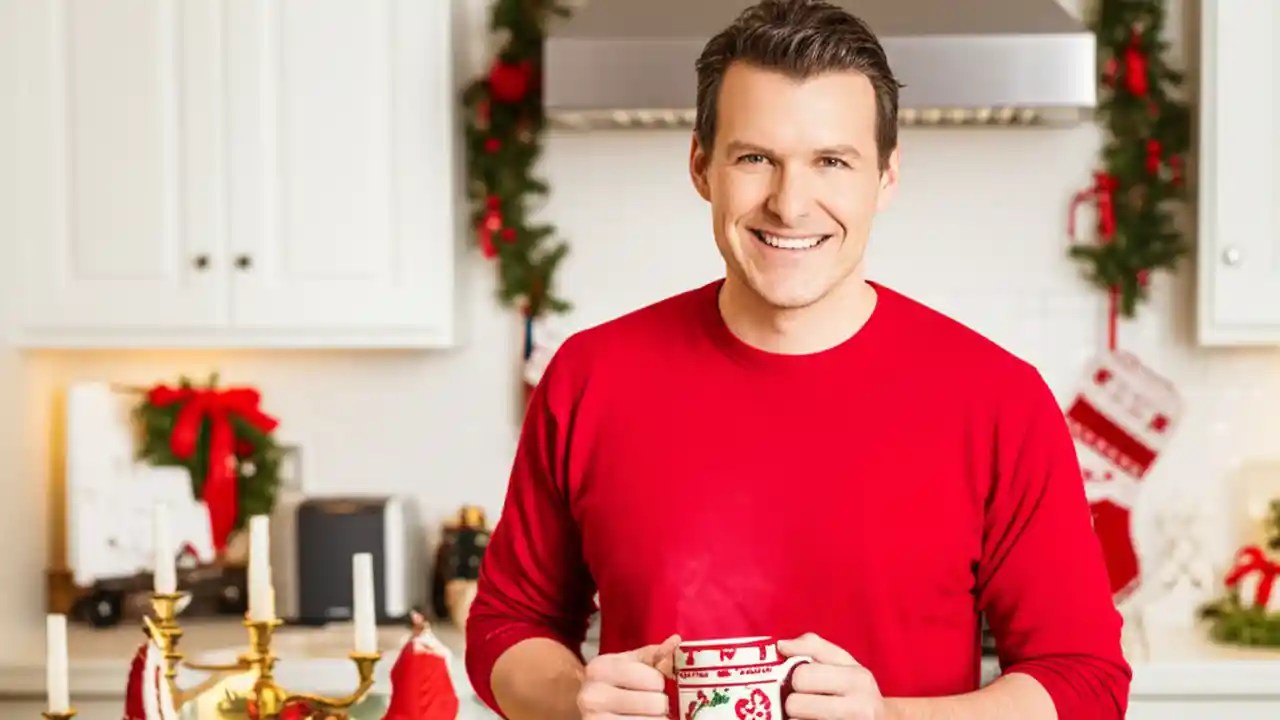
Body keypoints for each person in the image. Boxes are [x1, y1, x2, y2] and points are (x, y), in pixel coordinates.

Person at [464, 0, 1131, 718]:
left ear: (886, 177)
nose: (790, 203)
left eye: (831, 162)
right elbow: (507, 627)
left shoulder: (998, 400)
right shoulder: (589, 378)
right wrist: (574, 699)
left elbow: (1084, 680)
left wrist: (890, 718)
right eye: (755, 158)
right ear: (701, 167)